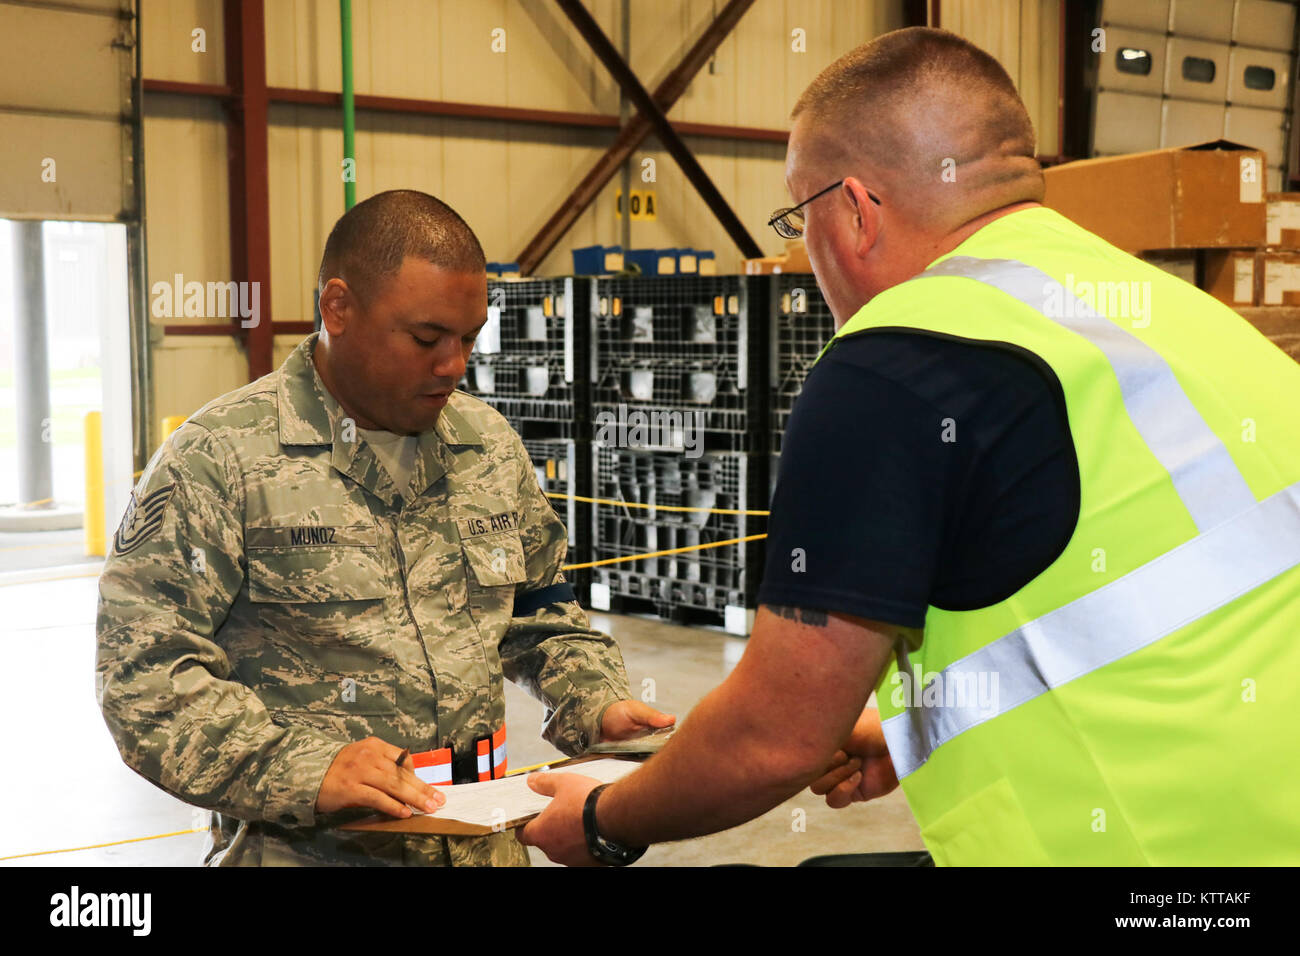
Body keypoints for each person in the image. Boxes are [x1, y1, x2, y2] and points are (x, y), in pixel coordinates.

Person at [518, 27, 1300, 866]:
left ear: (854, 209)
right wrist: (918, 719)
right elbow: (1140, 620)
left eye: (799, 215)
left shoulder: (899, 358)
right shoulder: (1168, 311)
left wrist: (605, 818)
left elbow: (774, 736)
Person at [96, 189, 674, 866]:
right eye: (427, 338)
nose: (454, 365)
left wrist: (595, 700)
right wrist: (306, 767)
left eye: (468, 338)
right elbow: (144, 679)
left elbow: (538, 609)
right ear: (337, 308)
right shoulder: (221, 460)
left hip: (484, 844)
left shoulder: (484, 444)